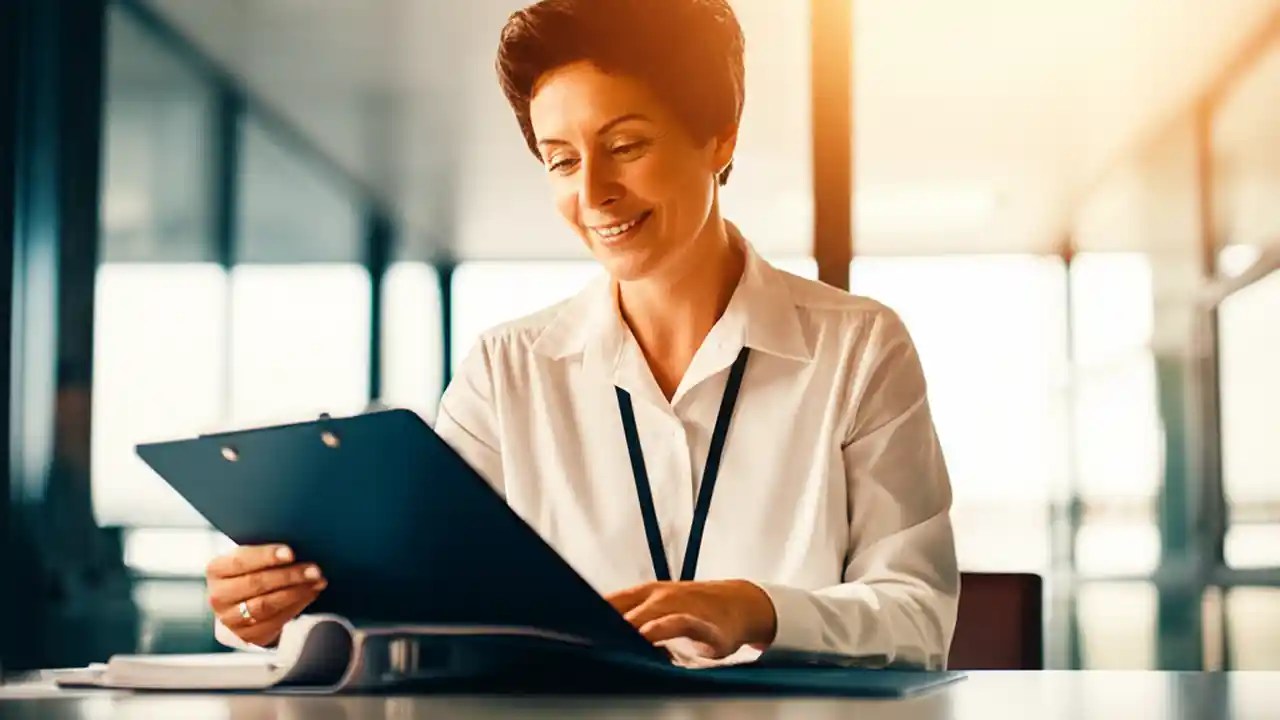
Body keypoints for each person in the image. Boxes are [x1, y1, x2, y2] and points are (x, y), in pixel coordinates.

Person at [206, 0, 959, 669]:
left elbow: (918, 616)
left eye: (626, 145)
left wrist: (757, 608)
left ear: (718, 142)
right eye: (561, 160)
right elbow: (428, 597)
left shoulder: (858, 348)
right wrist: (281, 607)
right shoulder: (505, 371)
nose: (592, 191)